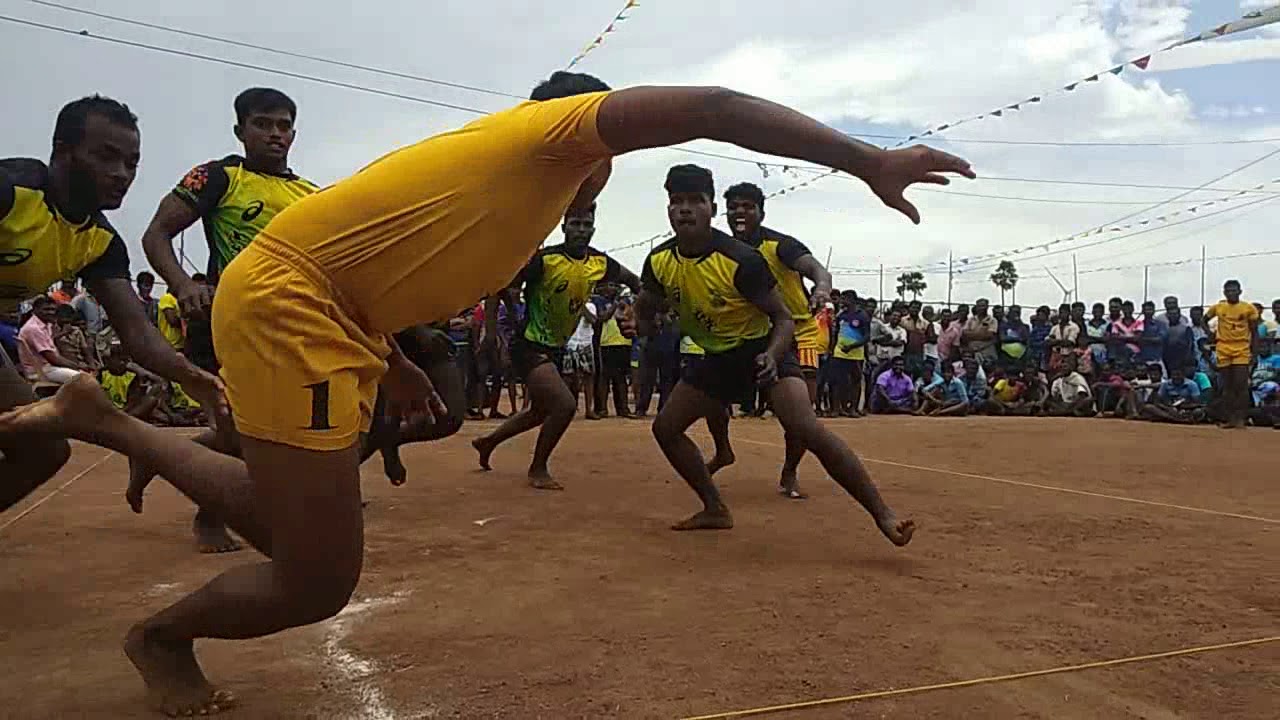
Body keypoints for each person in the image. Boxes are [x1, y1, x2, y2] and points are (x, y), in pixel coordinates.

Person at [1, 74, 970, 715]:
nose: (608, 171)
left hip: (329, 312)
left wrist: (388, 355)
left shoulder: (528, 185)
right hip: (291, 302)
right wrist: (867, 161)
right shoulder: (550, 134)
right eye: (612, 153)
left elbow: (391, 243)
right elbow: (714, 106)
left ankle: (104, 420)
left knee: (287, 525)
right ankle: (160, 636)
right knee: (315, 577)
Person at [632, 163, 916, 543]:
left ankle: (884, 516)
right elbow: (646, 300)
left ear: (711, 209)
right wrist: (648, 329)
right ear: (668, 209)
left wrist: (771, 355)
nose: (685, 209)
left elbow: (782, 318)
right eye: (676, 201)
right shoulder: (659, 261)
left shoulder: (741, 260)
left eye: (695, 201)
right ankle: (715, 507)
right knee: (665, 429)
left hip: (764, 351)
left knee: (805, 427)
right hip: (717, 358)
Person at [1, 96, 224, 516]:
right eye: (106, 157)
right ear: (62, 151)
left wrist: (195, 380)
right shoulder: (13, 191)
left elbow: (137, 332)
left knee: (44, 453)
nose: (121, 174)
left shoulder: (100, 243)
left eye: (132, 163)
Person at [132, 88, 321, 553]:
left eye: (283, 126)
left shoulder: (309, 193)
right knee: (240, 431)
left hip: (286, 328)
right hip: (227, 323)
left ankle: (154, 456)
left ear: (294, 134)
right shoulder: (218, 177)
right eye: (262, 124)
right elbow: (156, 233)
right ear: (240, 131)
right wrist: (182, 284)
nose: (274, 134)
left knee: (275, 430)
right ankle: (209, 518)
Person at [474, 204, 641, 488]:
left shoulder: (600, 263)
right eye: (575, 224)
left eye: (586, 225)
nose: (581, 230)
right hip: (528, 344)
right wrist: (491, 333)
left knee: (540, 411)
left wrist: (635, 312)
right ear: (563, 227)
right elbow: (497, 286)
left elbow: (635, 282)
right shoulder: (544, 260)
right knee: (564, 405)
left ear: (594, 229)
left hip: (557, 347)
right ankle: (538, 468)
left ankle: (488, 441)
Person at [720, 181, 833, 498]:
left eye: (747, 206)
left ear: (760, 212)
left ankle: (790, 470)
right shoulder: (722, 251)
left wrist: (822, 288)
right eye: (734, 207)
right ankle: (721, 450)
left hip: (800, 333)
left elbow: (816, 269)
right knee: (711, 395)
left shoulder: (780, 245)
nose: (740, 212)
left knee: (801, 417)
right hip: (751, 335)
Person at [1205, 280, 1260, 429]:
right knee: (1227, 386)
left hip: (1241, 347)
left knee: (1241, 385)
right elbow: (1204, 320)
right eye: (1228, 291)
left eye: (1234, 290)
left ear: (1240, 291)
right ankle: (1230, 418)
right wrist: (1210, 334)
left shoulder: (1248, 308)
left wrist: (1254, 354)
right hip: (1223, 347)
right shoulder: (1219, 307)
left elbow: (1254, 333)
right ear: (1224, 292)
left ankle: (1241, 418)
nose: (1231, 293)